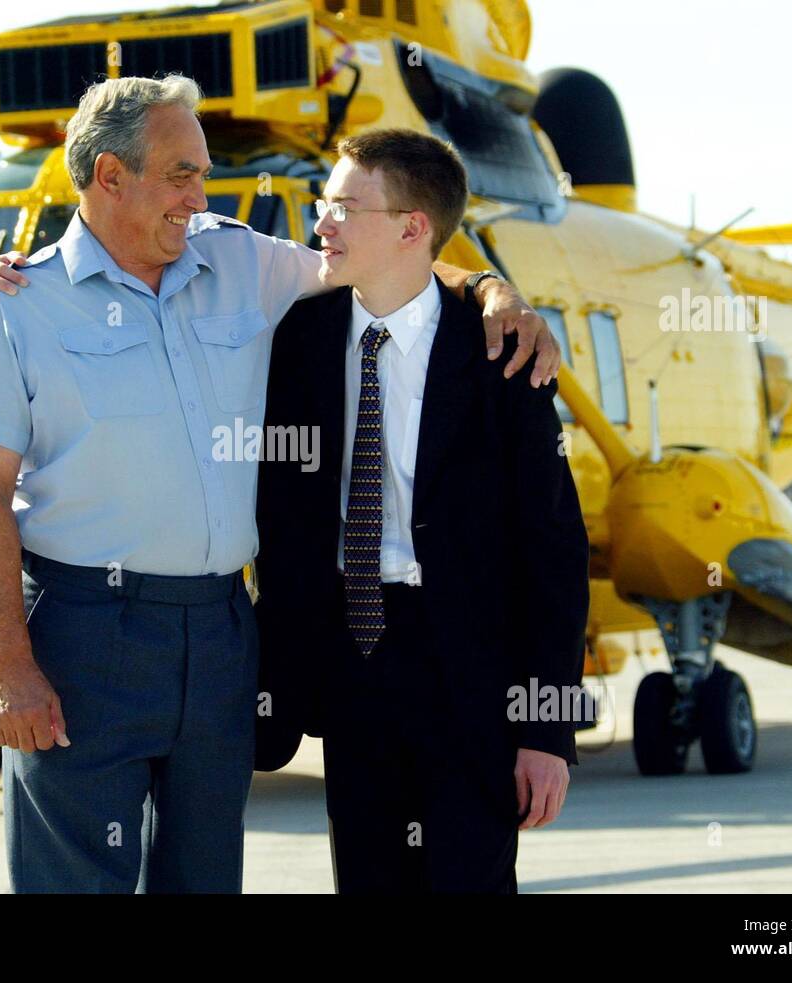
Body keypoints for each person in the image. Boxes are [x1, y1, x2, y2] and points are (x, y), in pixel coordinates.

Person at [0, 73, 560, 893]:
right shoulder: (19, 307)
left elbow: (391, 268)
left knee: (203, 878)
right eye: (182, 174)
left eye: (202, 173)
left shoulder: (237, 258)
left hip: (221, 633)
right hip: (83, 634)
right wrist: (10, 668)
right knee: (74, 880)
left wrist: (493, 289)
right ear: (109, 177)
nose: (200, 194)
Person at [252, 128, 591, 893]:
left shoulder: (504, 351)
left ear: (412, 227)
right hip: (351, 663)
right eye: (322, 202)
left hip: (470, 679)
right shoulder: (295, 338)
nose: (322, 222)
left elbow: (555, 552)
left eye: (344, 205)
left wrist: (547, 729)